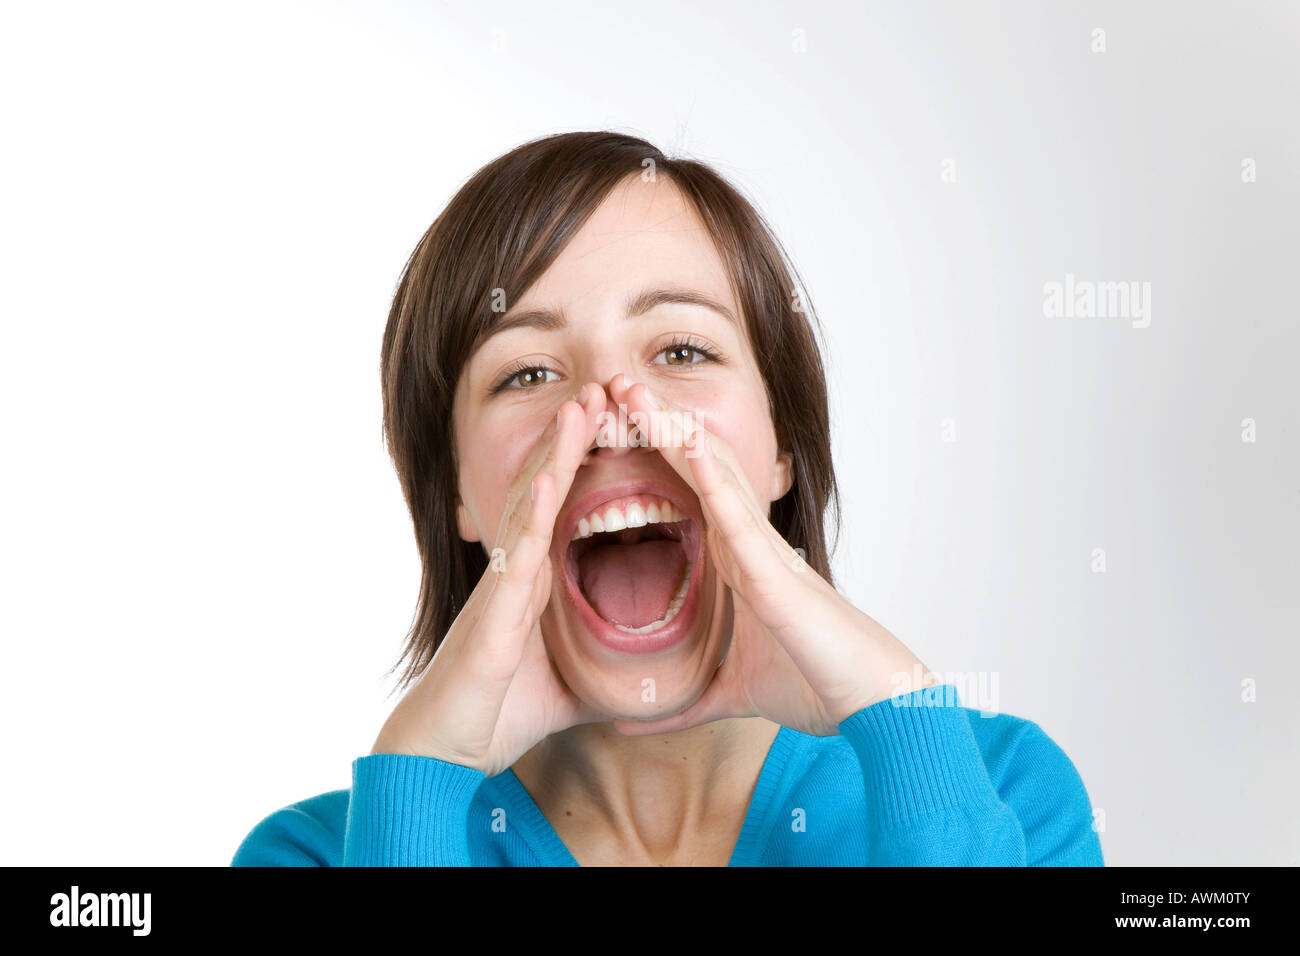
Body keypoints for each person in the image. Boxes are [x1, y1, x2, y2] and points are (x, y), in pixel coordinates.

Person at [231, 131, 1103, 867]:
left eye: (682, 351)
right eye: (529, 371)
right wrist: (420, 778)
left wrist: (900, 719)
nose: (615, 419)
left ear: (782, 448)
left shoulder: (1000, 794)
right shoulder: (317, 854)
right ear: (454, 493)